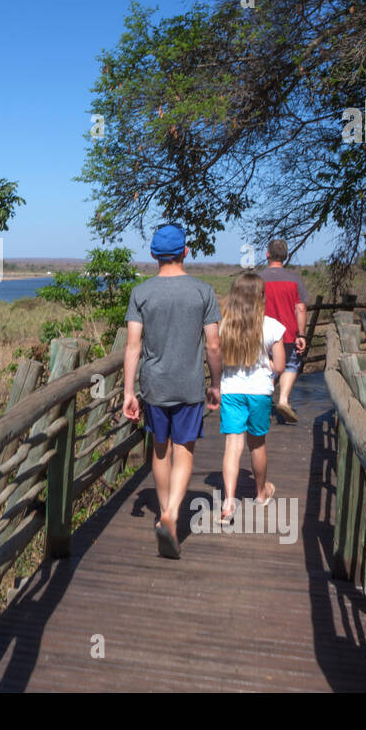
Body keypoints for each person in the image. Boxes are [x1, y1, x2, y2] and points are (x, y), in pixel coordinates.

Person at [122, 223, 222, 559]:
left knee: (160, 449)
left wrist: (128, 392)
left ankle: (163, 508)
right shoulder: (203, 292)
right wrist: (216, 384)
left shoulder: (141, 293)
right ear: (186, 252)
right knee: (185, 450)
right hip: (189, 385)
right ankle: (172, 515)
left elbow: (133, 346)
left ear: (153, 254)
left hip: (154, 386)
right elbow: (213, 344)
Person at [217, 271, 286, 523]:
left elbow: (216, 355)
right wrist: (267, 364)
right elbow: (280, 365)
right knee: (256, 443)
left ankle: (228, 502)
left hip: (231, 389)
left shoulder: (223, 325)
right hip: (259, 391)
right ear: (260, 297)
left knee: (232, 446)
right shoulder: (271, 326)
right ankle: (260, 493)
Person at [258, 240, 310, 423]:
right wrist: (301, 334)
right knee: (290, 365)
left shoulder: (258, 279)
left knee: (266, 366)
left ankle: (263, 403)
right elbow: (301, 308)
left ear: (267, 254)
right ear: (286, 256)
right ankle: (283, 399)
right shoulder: (294, 280)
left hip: (263, 334)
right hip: (288, 333)